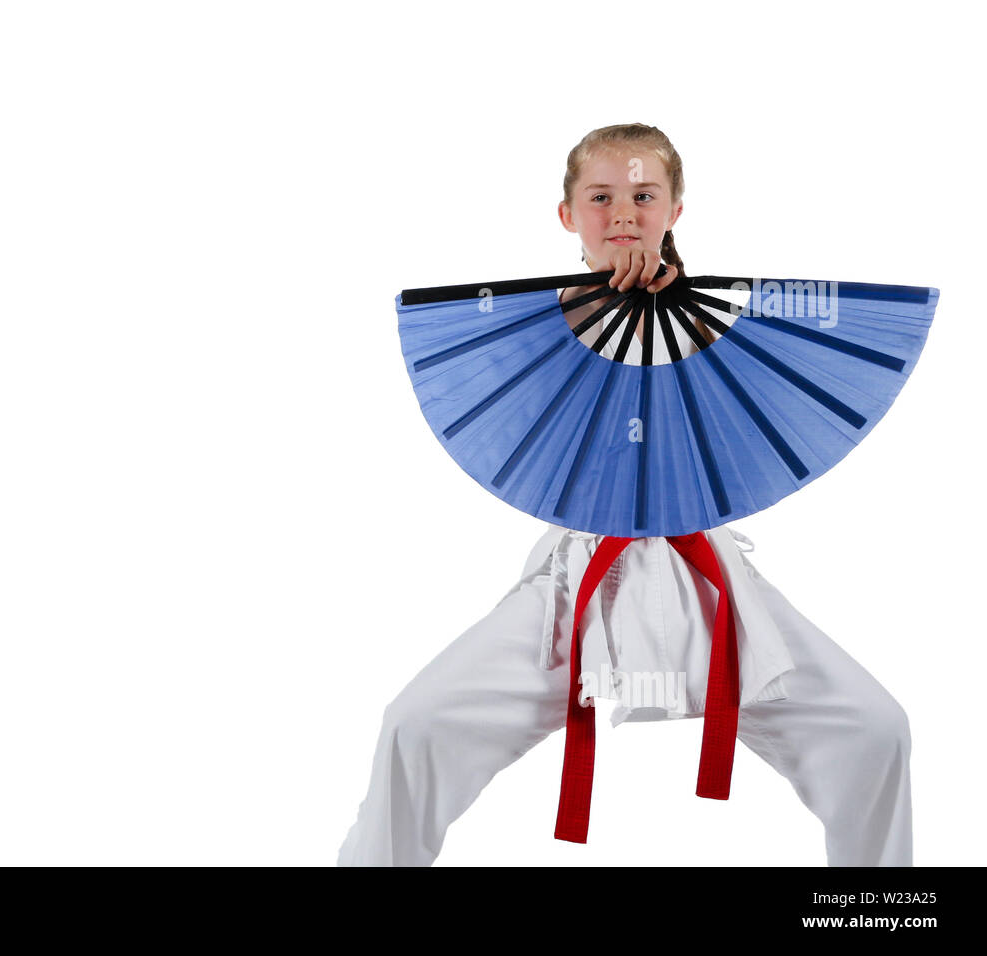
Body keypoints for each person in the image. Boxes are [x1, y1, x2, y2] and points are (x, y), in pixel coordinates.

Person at [335, 123, 913, 867]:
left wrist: (676, 304)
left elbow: (713, 420)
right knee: (416, 724)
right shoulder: (535, 325)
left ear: (674, 212)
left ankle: (880, 908)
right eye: (601, 196)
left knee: (874, 728)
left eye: (644, 195)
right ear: (567, 216)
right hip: (581, 580)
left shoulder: (714, 324)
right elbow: (555, 420)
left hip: (703, 574)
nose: (623, 214)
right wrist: (591, 307)